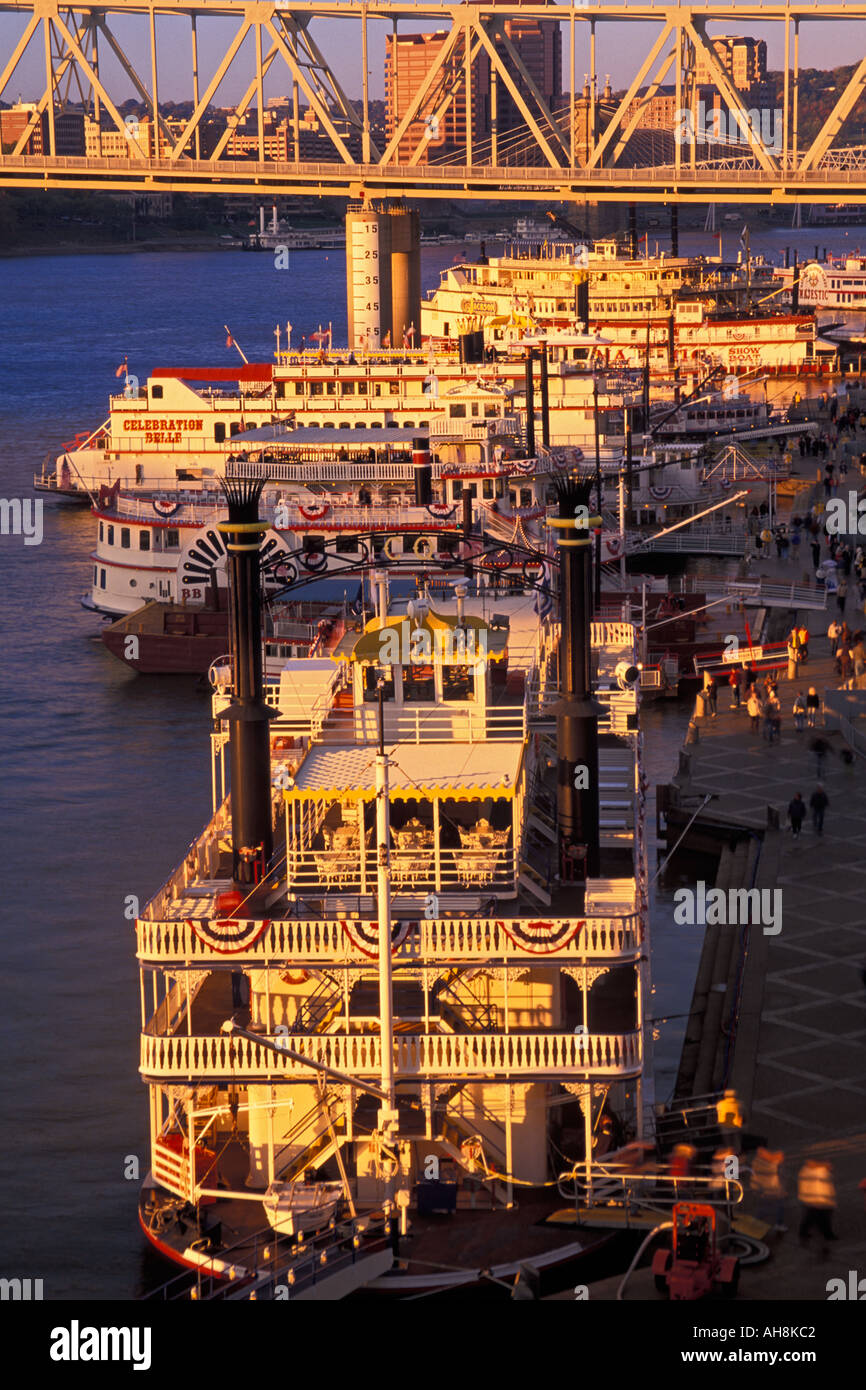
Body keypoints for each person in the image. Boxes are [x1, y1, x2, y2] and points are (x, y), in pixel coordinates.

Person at [798, 1159, 837, 1246]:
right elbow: (823, 1188)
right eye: (829, 1167)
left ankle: (803, 1232)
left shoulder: (805, 1171)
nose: (831, 1168)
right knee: (823, 1218)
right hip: (819, 1201)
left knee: (810, 1217)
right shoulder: (821, 1173)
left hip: (811, 1200)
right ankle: (827, 1235)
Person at [751, 1148, 787, 1232]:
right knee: (778, 1207)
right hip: (770, 1191)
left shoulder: (758, 1162)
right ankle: (779, 1224)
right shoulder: (769, 1165)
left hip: (765, 1190)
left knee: (765, 1207)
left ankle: (756, 1221)